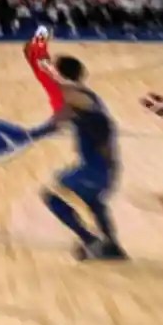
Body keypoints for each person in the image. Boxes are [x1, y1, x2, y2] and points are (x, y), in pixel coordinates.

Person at [29, 56, 127, 261]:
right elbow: (55, 124)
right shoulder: (81, 96)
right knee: (94, 202)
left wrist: (28, 136)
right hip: (102, 166)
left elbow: (55, 119)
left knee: (52, 197)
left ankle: (91, 241)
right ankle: (112, 247)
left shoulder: (73, 96)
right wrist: (30, 135)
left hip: (98, 167)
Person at [24, 25, 63, 115]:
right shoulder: (40, 45)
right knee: (57, 93)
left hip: (39, 71)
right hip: (43, 73)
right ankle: (58, 112)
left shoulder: (31, 43)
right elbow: (43, 62)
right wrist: (55, 73)